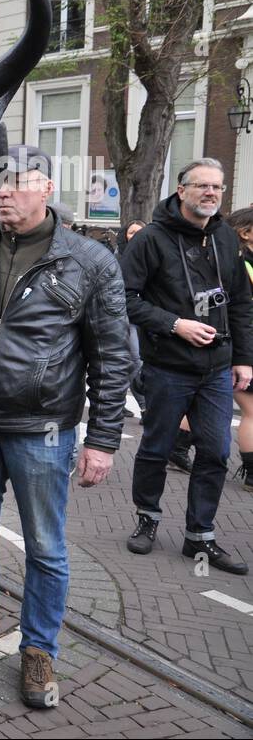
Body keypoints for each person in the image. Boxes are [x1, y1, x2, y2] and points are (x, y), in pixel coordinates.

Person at [0, 145, 132, 710]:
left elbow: (113, 358)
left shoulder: (90, 261)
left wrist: (102, 441)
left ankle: (39, 647)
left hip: (42, 429)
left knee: (45, 545)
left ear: (46, 188)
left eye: (17, 182)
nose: (3, 193)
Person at [119, 159, 252, 573]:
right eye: (202, 186)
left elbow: (241, 302)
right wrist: (175, 324)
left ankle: (200, 534)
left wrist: (244, 359)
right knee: (157, 447)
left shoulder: (225, 237)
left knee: (216, 450)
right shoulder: (151, 239)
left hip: (217, 368)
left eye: (217, 187)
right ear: (182, 190)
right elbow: (124, 297)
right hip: (167, 366)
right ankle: (147, 518)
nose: (211, 193)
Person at [230, 206, 253, 490]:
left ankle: (178, 447)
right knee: (251, 410)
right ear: (246, 233)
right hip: (243, 346)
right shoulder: (242, 265)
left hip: (241, 343)